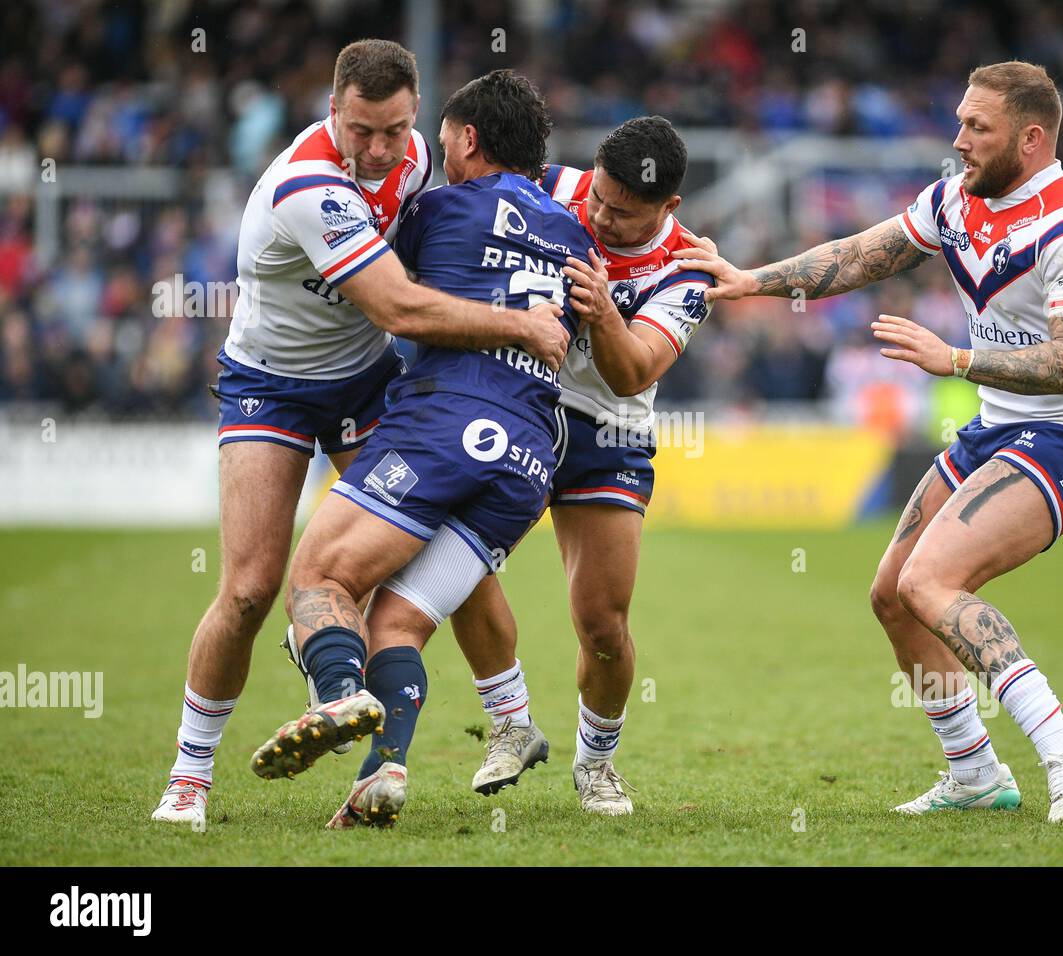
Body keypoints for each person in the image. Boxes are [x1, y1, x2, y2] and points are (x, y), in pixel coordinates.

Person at [673, 61, 1063, 823]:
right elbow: (857, 255)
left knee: (932, 584)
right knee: (893, 596)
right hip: (997, 430)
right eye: (960, 121)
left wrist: (955, 359)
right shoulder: (955, 200)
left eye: (978, 128)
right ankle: (976, 773)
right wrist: (750, 281)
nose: (960, 140)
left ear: (1033, 137)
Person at [150, 42, 568, 831]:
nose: (379, 152)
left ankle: (505, 716)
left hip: (367, 382)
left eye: (397, 131)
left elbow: (518, 191)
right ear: (333, 108)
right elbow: (402, 308)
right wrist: (523, 327)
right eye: (362, 131)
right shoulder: (309, 184)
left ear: (419, 118)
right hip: (269, 385)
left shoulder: (417, 160)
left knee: (438, 547)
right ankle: (189, 774)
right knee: (248, 590)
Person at [247, 70, 626, 830]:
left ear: (467, 139)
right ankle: (380, 774)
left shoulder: (439, 207)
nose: (434, 154)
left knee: (320, 579)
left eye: (442, 140)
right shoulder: (579, 236)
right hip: (527, 460)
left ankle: (338, 694)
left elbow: (397, 298)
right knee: (399, 622)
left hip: (442, 425)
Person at [358, 116, 714, 817]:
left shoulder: (690, 270)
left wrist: (604, 309)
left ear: (668, 209)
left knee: (603, 624)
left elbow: (632, 370)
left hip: (606, 434)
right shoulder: (551, 188)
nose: (602, 218)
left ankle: (598, 764)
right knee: (457, 573)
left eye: (624, 212)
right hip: (512, 406)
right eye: (600, 199)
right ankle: (512, 720)